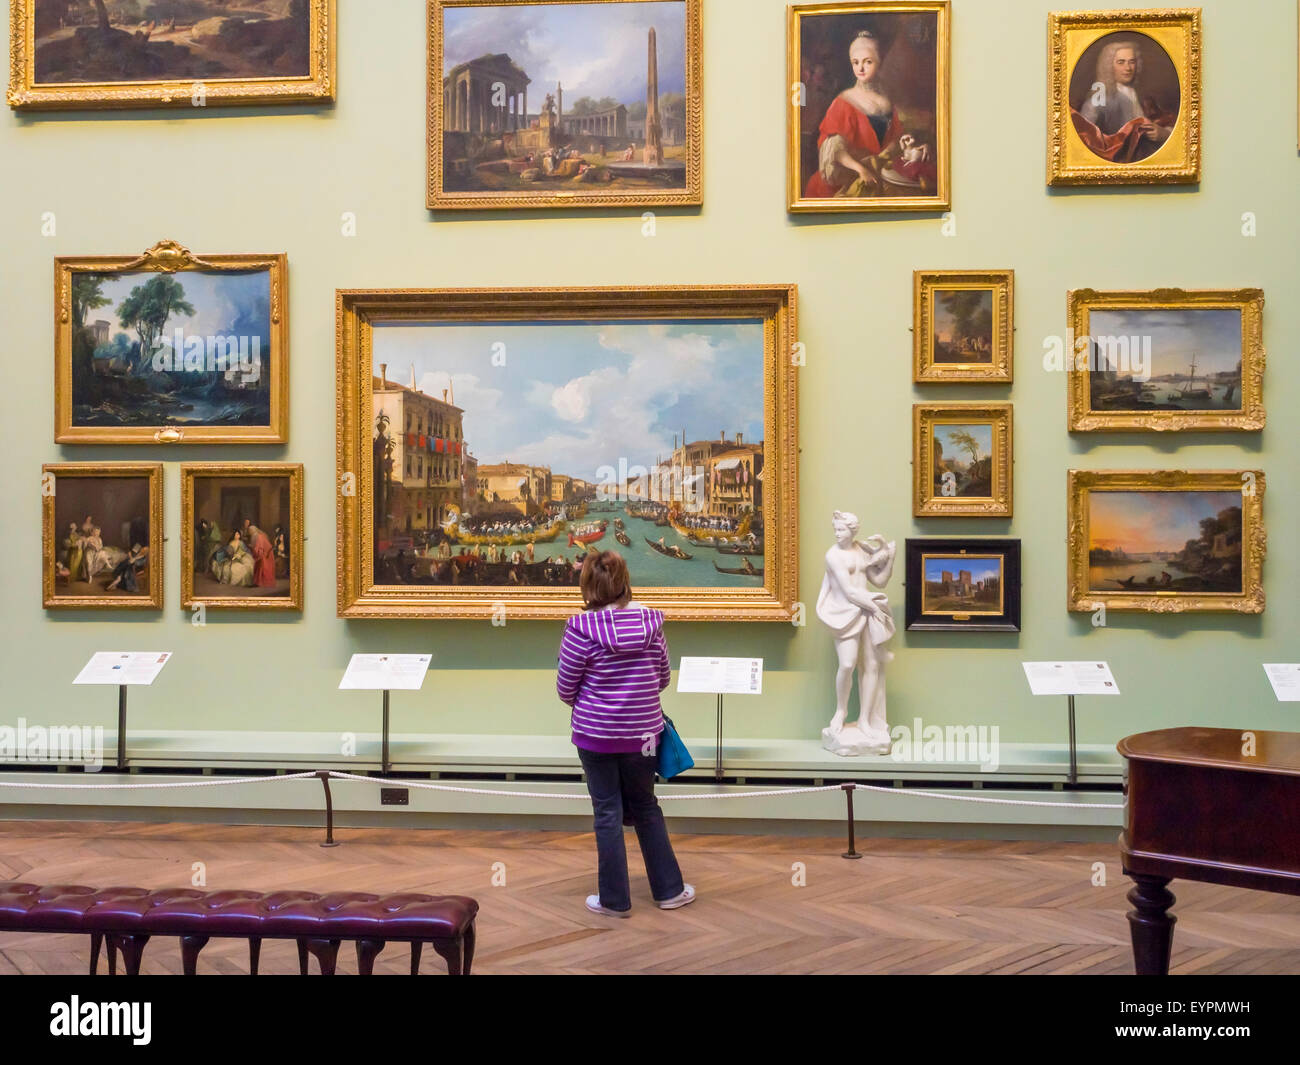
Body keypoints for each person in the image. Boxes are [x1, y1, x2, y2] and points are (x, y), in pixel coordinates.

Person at [556, 551, 694, 917]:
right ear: (624, 582)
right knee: (646, 806)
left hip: (595, 736)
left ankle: (614, 901)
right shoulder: (651, 626)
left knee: (607, 811)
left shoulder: (579, 629)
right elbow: (663, 678)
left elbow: (565, 689)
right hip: (644, 738)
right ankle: (669, 891)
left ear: (588, 585)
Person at [803, 30, 934, 198]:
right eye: (855, 62)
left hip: (875, 175)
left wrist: (911, 148)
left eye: (868, 62)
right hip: (842, 182)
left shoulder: (886, 100)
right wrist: (861, 169)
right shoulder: (843, 102)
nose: (861, 68)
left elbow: (893, 143)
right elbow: (834, 151)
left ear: (878, 63)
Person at [1074, 36, 1173, 162]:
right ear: (1109, 66)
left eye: (1132, 62)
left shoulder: (1142, 96)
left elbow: (1159, 122)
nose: (1128, 68)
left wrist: (1163, 133)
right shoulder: (1100, 97)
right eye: (1121, 62)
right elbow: (1084, 135)